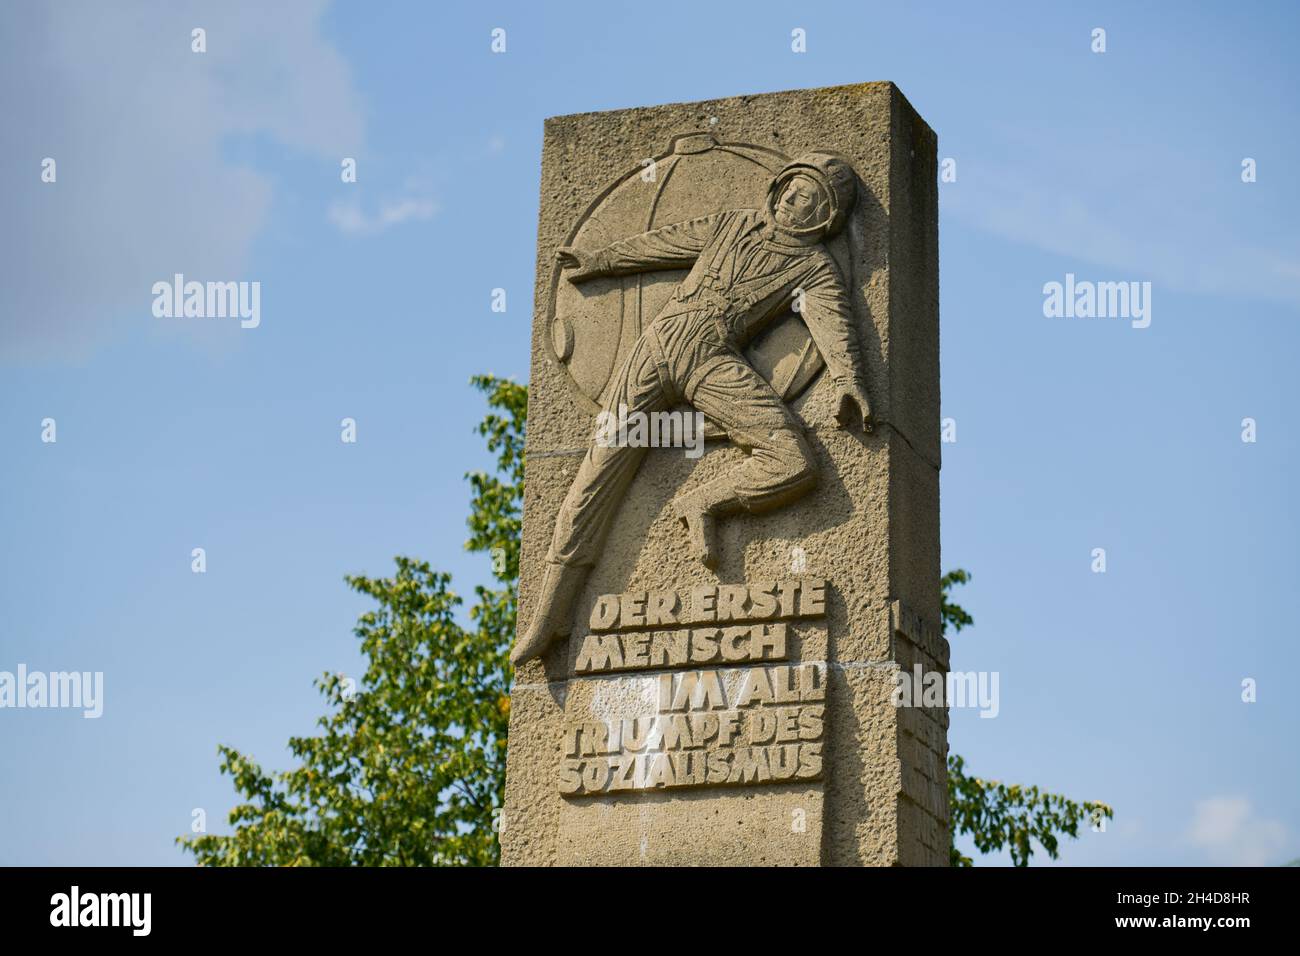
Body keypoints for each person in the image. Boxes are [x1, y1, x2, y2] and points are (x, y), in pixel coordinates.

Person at [512, 152, 872, 665]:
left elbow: (832, 322)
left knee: (793, 461)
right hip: (656, 348)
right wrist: (601, 262)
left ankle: (702, 501)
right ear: (779, 190)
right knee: (594, 477)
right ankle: (549, 618)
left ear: (826, 217)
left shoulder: (815, 268)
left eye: (810, 201)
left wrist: (848, 380)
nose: (794, 204)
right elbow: (667, 244)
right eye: (792, 191)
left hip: (712, 359)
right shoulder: (733, 224)